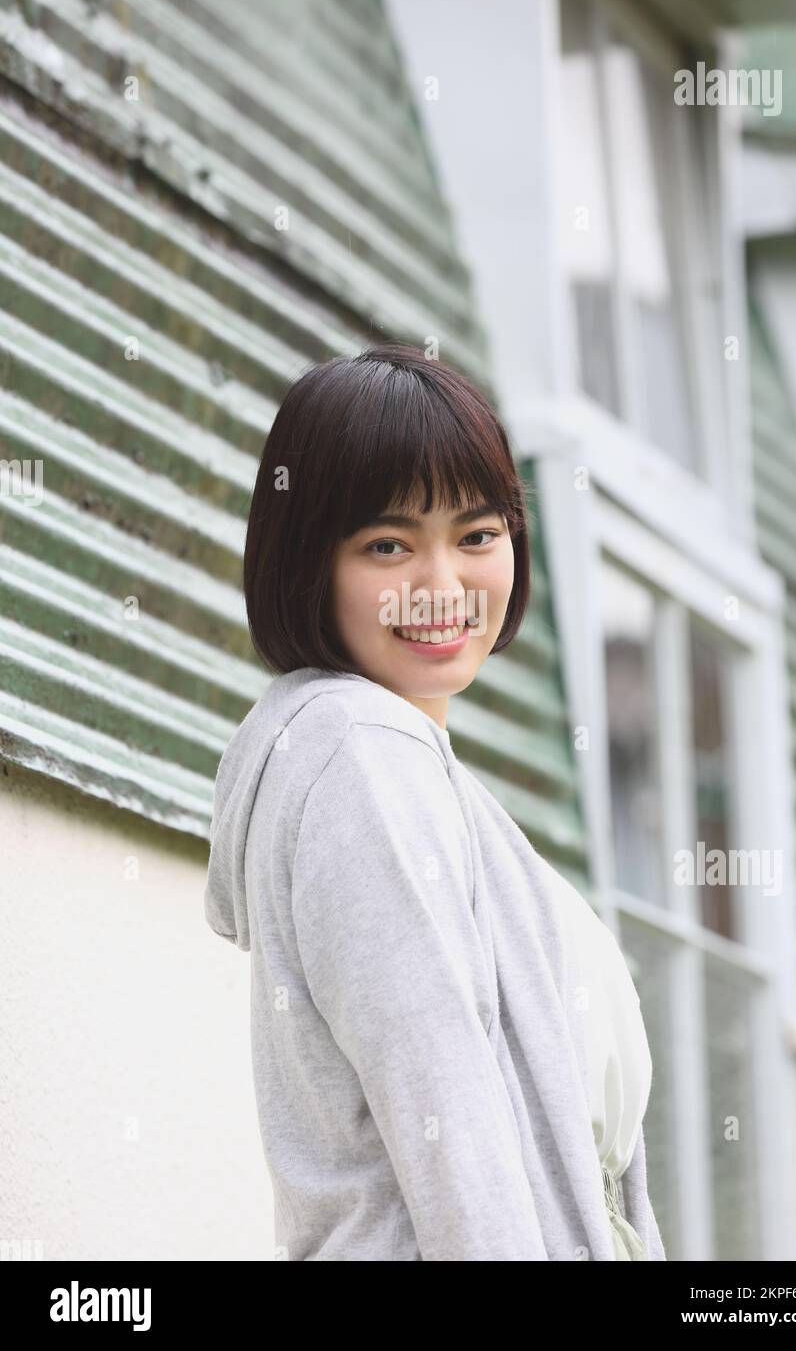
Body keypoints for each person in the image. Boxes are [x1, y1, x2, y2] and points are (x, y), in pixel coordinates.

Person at [205, 343, 667, 1261]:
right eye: (388, 544)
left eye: (477, 534)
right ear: (311, 562)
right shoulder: (363, 762)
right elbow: (450, 1128)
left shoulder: (410, 773)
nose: (443, 586)